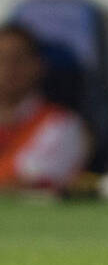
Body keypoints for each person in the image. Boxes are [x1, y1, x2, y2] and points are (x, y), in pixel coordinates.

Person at [0, 24, 90, 192]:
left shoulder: (61, 124)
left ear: (37, 66)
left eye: (17, 60)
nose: (7, 69)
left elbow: (27, 181)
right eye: (1, 59)